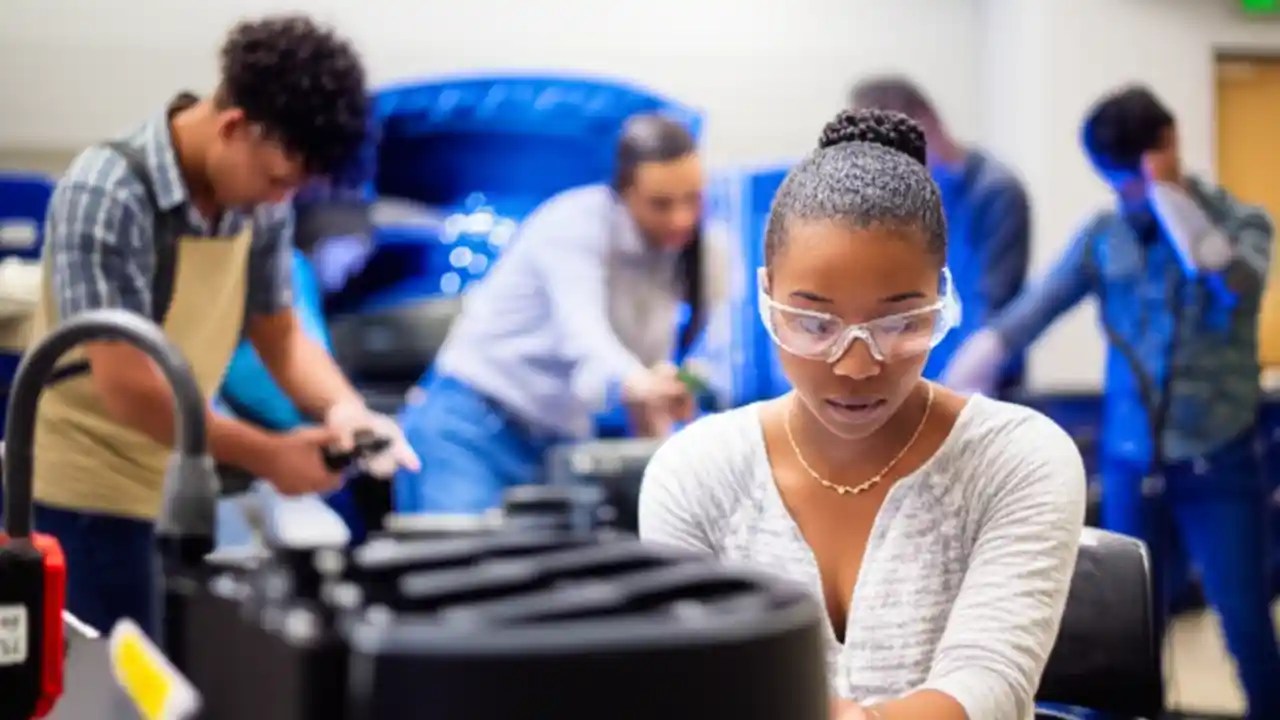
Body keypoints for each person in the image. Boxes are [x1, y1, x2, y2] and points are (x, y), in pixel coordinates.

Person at [639, 109, 1085, 720]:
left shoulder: (1017, 459)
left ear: (941, 298)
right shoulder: (697, 472)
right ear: (769, 295)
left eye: (899, 323)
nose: (854, 367)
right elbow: (688, 685)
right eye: (815, 324)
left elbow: (990, 688)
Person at [24, 15, 418, 636]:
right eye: (278, 181)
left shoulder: (255, 202)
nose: (280, 201)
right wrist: (270, 457)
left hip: (186, 485)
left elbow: (282, 338)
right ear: (234, 127)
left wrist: (346, 410)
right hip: (90, 498)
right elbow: (127, 386)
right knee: (113, 691)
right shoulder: (107, 193)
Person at [945, 85, 1280, 718]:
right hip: (1132, 460)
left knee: (1244, 621)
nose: (1128, 200)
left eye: (1134, 180)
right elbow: (1032, 312)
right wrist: (956, 375)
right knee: (1126, 628)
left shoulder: (1240, 224)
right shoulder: (1103, 236)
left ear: (1169, 144)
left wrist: (1168, 197)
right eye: (1118, 184)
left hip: (1220, 461)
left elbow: (1235, 283)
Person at [395, 114, 719, 515]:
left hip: (555, 447)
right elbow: (586, 340)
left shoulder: (690, 257)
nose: (681, 218)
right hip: (469, 430)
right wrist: (642, 384)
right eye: (661, 203)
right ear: (623, 191)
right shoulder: (574, 225)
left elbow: (642, 380)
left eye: (693, 199)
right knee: (460, 573)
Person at [849, 76, 1031, 395]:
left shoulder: (995, 193)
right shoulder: (909, 198)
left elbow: (989, 306)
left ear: (925, 123)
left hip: (976, 385)